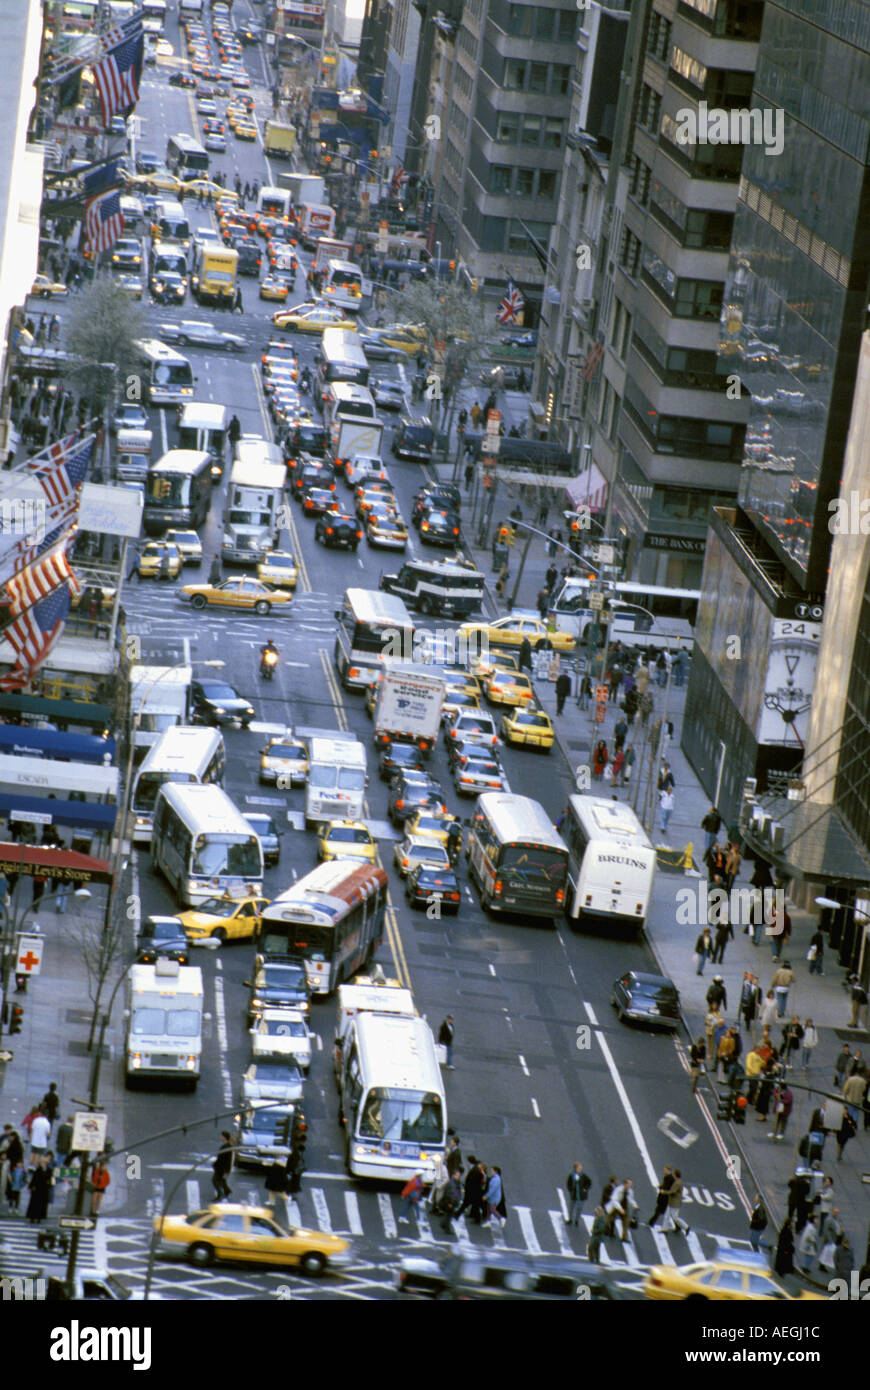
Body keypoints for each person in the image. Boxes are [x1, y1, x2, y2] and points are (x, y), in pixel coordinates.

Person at [659, 1168, 690, 1236]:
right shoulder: (678, 1181)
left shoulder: (677, 1183)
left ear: (675, 1175)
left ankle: (686, 1227)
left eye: (673, 1173)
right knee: (666, 1215)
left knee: (675, 1217)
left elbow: (672, 1191)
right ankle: (664, 1229)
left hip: (675, 1203)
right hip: (672, 1202)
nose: (672, 1174)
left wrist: (663, 1192)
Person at [454, 1157, 485, 1224]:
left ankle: (458, 1214)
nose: (467, 1163)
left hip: (472, 1191)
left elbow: (473, 1182)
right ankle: (458, 1214)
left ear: (470, 1162)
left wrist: (466, 1188)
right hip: (473, 1191)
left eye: (468, 1162)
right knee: (470, 1204)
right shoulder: (475, 1169)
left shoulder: (475, 1170)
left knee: (470, 1204)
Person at [26, 1155, 54, 1224]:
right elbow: (34, 1179)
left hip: (44, 1190)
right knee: (34, 1204)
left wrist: (49, 1184)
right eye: (42, 1162)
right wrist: (31, 1186)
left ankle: (39, 1218)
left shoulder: (49, 1170)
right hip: (37, 1190)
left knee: (42, 1205)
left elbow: (51, 1180)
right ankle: (32, 1217)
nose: (43, 1164)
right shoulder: (38, 1170)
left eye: (45, 1162)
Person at [212, 1131, 234, 1200]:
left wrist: (216, 1164)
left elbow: (224, 1159)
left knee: (215, 1180)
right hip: (222, 1167)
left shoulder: (226, 1147)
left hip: (221, 1168)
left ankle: (220, 1193)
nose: (221, 1137)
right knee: (222, 1180)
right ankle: (227, 1191)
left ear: (224, 1137)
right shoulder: (227, 1146)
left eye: (222, 1136)